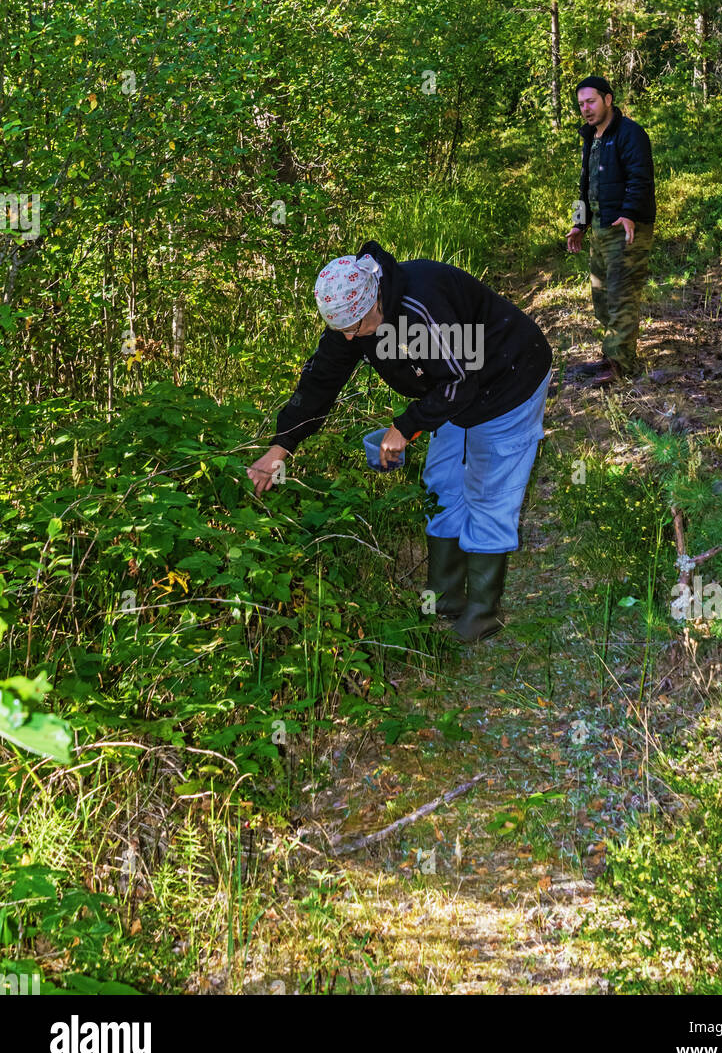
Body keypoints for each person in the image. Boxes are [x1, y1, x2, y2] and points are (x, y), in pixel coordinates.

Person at [247, 240, 553, 644]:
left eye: (355, 329)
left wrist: (405, 427)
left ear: (375, 304)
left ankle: (482, 614)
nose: (351, 340)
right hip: (454, 392)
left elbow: (461, 379)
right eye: (341, 332)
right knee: (442, 484)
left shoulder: (420, 306)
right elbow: (321, 381)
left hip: (508, 377)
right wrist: (280, 446)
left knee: (488, 493)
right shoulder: (351, 319)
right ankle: (445, 598)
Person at [566, 76, 657, 385]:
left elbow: (640, 178)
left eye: (590, 101)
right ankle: (611, 355)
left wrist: (629, 213)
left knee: (622, 296)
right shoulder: (591, 136)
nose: (585, 109)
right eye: (580, 104)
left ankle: (621, 365)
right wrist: (580, 223)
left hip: (627, 228)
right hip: (601, 230)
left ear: (608, 99)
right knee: (602, 296)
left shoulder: (630, 134)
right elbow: (585, 184)